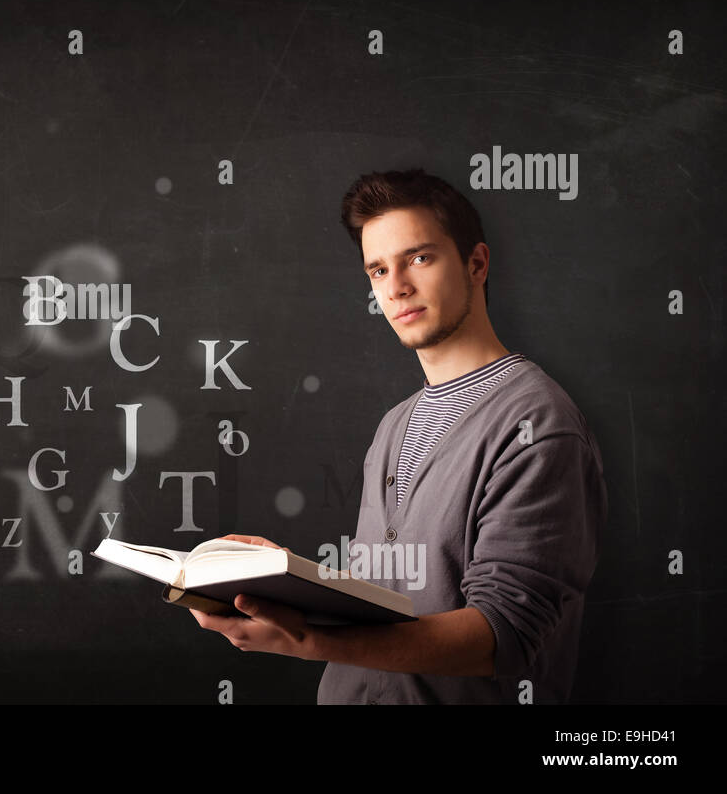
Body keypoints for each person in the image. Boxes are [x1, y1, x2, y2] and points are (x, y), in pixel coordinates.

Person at [191, 168, 608, 704]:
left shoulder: (538, 426)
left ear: (476, 263)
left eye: (419, 258)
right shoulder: (395, 425)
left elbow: (504, 634)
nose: (396, 287)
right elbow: (399, 592)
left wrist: (309, 639)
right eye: (378, 270)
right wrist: (290, 579)